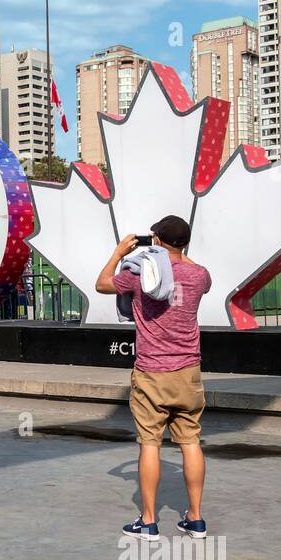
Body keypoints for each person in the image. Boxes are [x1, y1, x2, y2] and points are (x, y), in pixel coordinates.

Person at [95, 215, 211, 543]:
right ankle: (196, 519)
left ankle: (148, 522)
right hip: (188, 371)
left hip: (151, 372)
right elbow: (192, 268)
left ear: (156, 241)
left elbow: (102, 284)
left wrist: (119, 253)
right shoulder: (200, 276)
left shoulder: (140, 274)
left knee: (150, 444)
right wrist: (177, 250)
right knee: (190, 442)